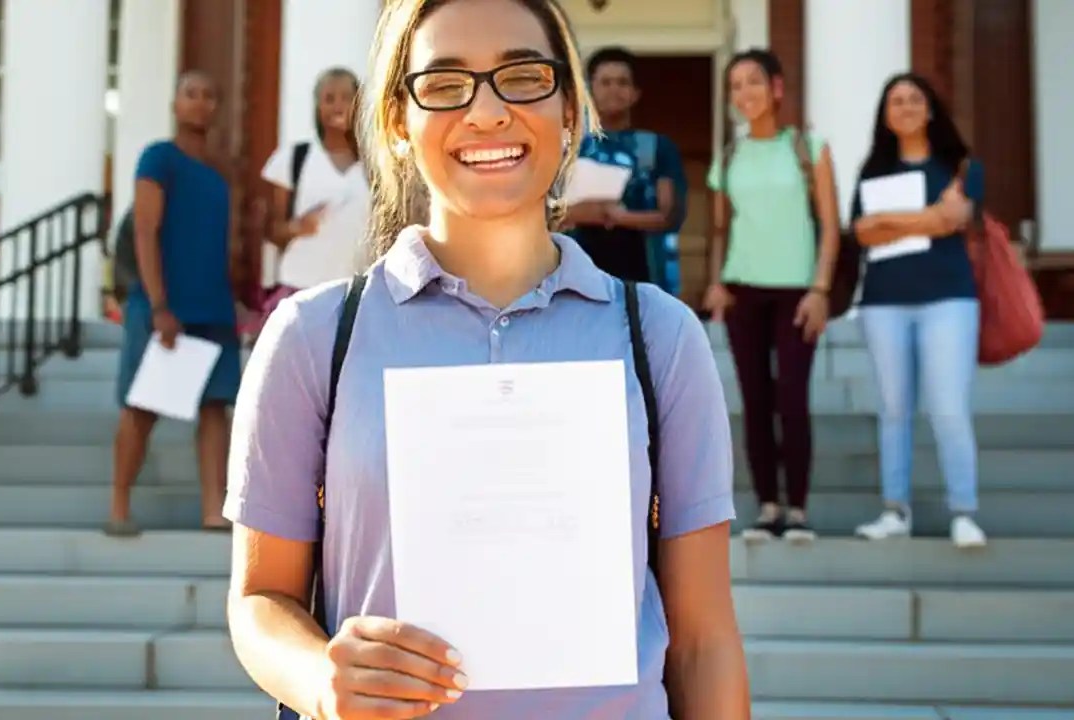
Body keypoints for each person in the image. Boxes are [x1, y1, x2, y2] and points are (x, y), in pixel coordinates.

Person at [222, 0, 750, 717]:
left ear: (569, 111)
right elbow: (260, 599)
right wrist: (319, 677)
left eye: (522, 77)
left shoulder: (661, 338)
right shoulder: (313, 337)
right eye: (444, 84)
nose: (488, 111)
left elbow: (703, 642)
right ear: (397, 124)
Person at [702, 49, 841, 545]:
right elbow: (720, 228)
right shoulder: (730, 156)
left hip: (797, 291)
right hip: (743, 291)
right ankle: (767, 506)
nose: (744, 94)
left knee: (792, 399)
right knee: (755, 400)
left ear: (777, 88)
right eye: (735, 86)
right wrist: (716, 280)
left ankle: (798, 509)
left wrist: (821, 289)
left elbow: (830, 226)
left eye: (753, 82)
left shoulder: (810, 148)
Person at [849, 73, 987, 550]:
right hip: (884, 302)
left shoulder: (961, 165)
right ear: (885, 114)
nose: (904, 107)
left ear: (930, 109)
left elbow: (956, 219)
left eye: (914, 99)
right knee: (893, 409)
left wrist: (891, 220)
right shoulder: (872, 169)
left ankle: (964, 512)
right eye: (895, 101)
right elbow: (862, 232)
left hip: (948, 299)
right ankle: (894, 510)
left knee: (948, 409)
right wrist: (927, 219)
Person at [106, 71, 241, 537]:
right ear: (175, 103)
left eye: (209, 96)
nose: (200, 103)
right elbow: (145, 230)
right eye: (191, 94)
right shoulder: (158, 159)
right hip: (165, 308)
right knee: (143, 408)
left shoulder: (220, 173)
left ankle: (212, 509)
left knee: (214, 409)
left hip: (215, 309)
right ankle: (119, 508)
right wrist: (159, 304)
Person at [564, 46, 687, 289]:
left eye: (622, 82)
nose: (614, 90)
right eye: (605, 82)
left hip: (644, 281)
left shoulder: (656, 147)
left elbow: (670, 215)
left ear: (635, 93)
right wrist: (595, 212)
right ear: (589, 91)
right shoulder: (567, 148)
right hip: (575, 281)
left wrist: (615, 216)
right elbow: (547, 213)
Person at [258, 67, 371, 320]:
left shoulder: (376, 166)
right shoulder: (294, 159)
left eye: (346, 97)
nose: (338, 106)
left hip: (356, 297)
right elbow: (269, 230)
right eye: (329, 99)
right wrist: (296, 227)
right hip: (300, 291)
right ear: (317, 107)